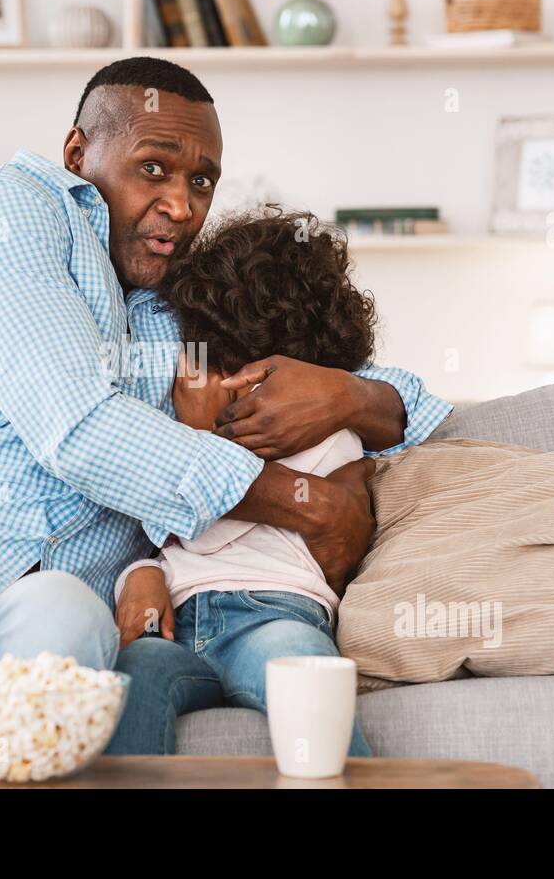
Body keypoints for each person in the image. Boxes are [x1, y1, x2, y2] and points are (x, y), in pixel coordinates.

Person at [0, 57, 451, 754]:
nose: (182, 204)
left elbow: (413, 403)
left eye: (202, 180)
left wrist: (349, 393)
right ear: (79, 153)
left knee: (71, 614)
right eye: (153, 169)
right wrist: (311, 504)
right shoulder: (11, 214)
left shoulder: (183, 308)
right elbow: (76, 429)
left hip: (38, 600)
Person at [109, 209, 379, 756]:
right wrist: (138, 576)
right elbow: (153, 542)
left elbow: (340, 552)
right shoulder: (165, 439)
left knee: (305, 669)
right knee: (132, 677)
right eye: (202, 359)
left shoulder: (333, 442)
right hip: (177, 624)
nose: (210, 381)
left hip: (275, 615)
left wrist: (211, 434)